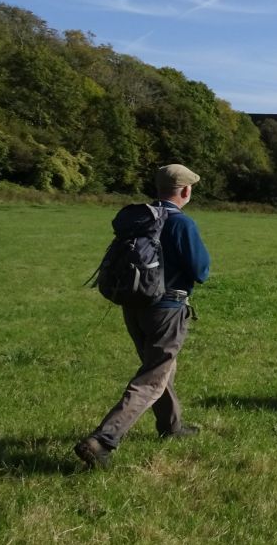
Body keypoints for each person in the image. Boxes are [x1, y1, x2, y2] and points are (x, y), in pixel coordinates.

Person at [75, 164, 211, 468]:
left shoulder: (140, 218)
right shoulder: (181, 224)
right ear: (186, 191)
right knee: (152, 377)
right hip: (167, 309)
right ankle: (103, 440)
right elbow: (201, 270)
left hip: (133, 304)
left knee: (159, 369)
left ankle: (171, 427)